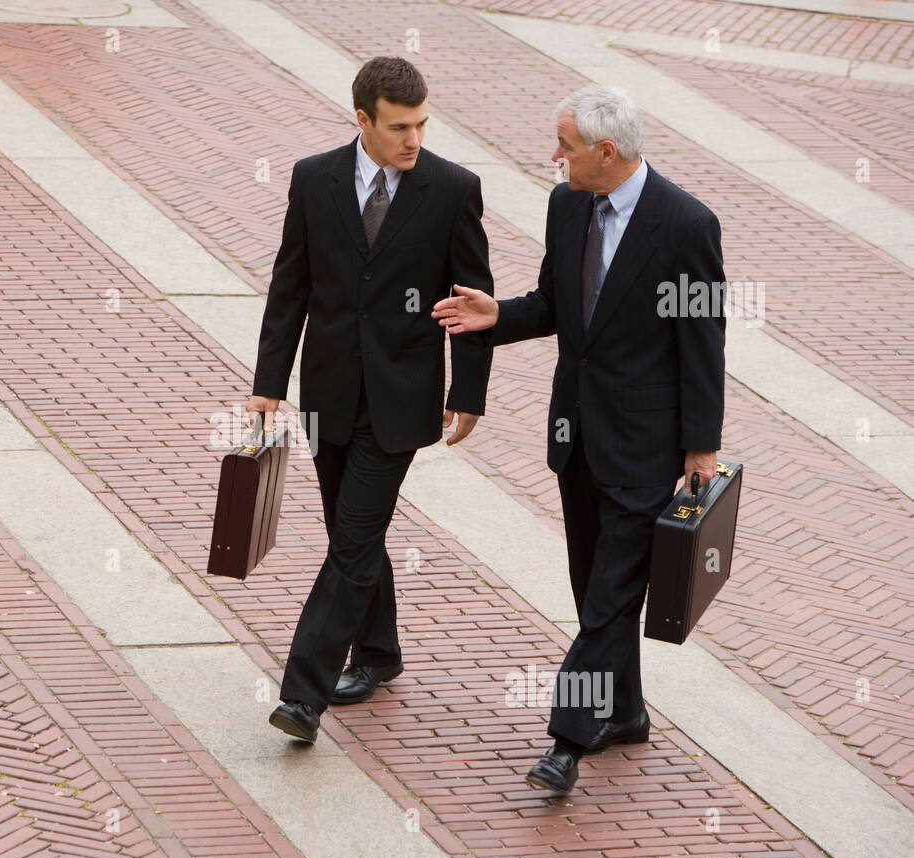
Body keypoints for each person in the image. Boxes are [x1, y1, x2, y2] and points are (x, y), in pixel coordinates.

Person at [432, 84, 725, 794]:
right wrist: (494, 315)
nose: (553, 155)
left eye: (563, 144)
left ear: (605, 151)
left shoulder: (686, 223)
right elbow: (559, 308)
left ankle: (568, 737)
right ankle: (624, 711)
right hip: (577, 440)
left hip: (646, 448)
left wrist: (701, 446)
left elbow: (704, 339)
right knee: (597, 590)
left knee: (609, 596)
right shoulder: (568, 205)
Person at [247, 56, 494, 742]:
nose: (414, 139)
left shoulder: (452, 189)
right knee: (351, 535)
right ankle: (379, 652)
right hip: (326, 395)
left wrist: (467, 390)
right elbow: (289, 288)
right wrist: (269, 386)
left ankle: (303, 695)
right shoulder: (312, 178)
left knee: (353, 538)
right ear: (363, 121)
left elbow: (470, 301)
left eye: (421, 124)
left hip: (401, 401)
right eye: (399, 127)